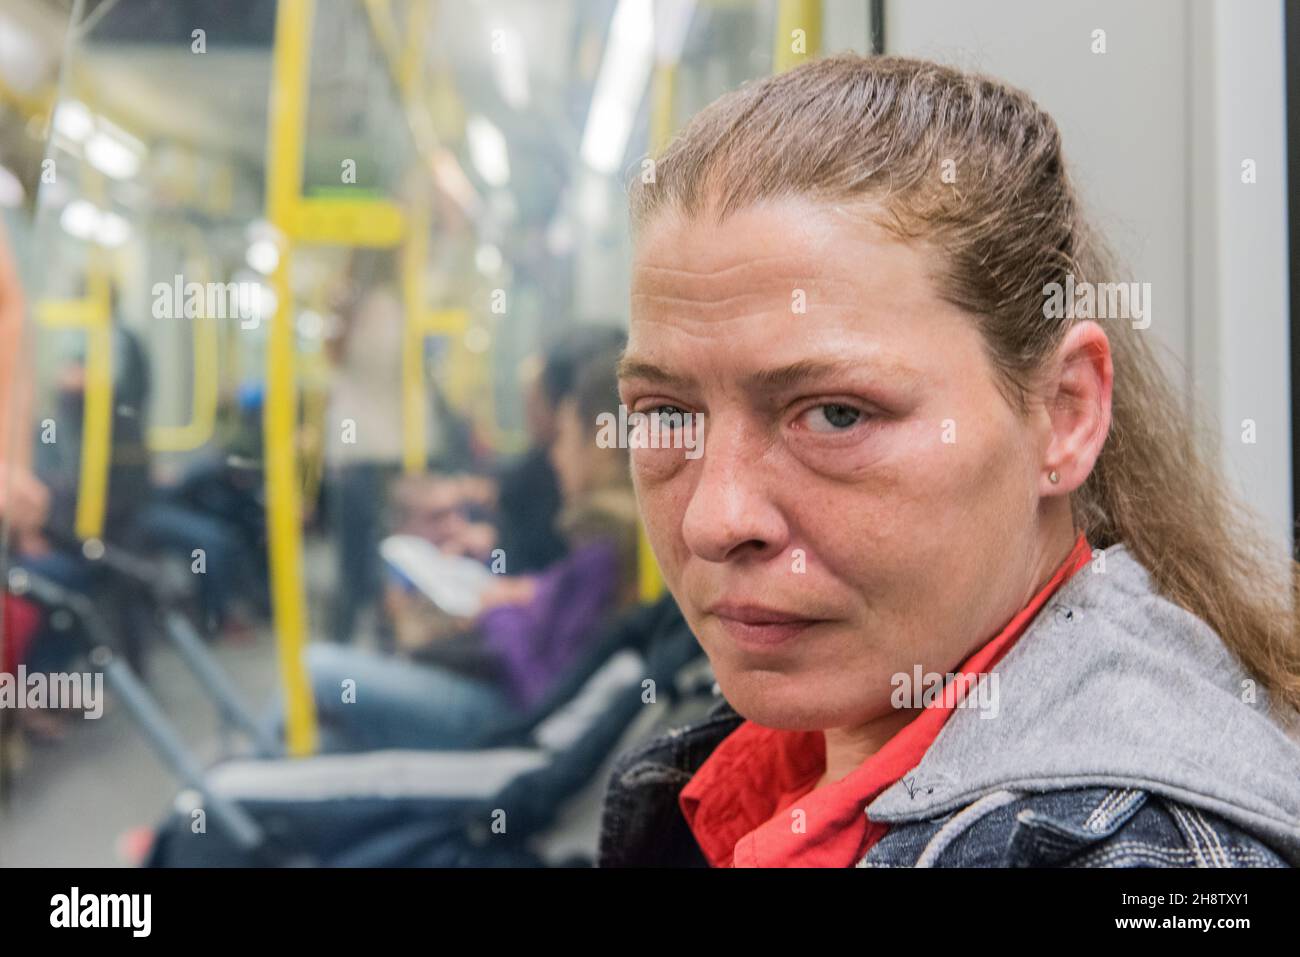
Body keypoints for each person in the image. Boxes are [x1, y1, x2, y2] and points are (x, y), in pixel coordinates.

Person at [597, 55, 1300, 868]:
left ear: (1065, 414)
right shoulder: (759, 769)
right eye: (668, 414)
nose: (716, 520)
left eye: (834, 414)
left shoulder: (1149, 862)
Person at [293, 344, 640, 751]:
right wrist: (521, 596)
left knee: (313, 668)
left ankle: (222, 800)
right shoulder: (601, 538)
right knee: (334, 737)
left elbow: (540, 683)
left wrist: (494, 610)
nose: (557, 456)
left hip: (508, 710)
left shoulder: (606, 546)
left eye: (565, 439)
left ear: (597, 445)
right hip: (503, 686)